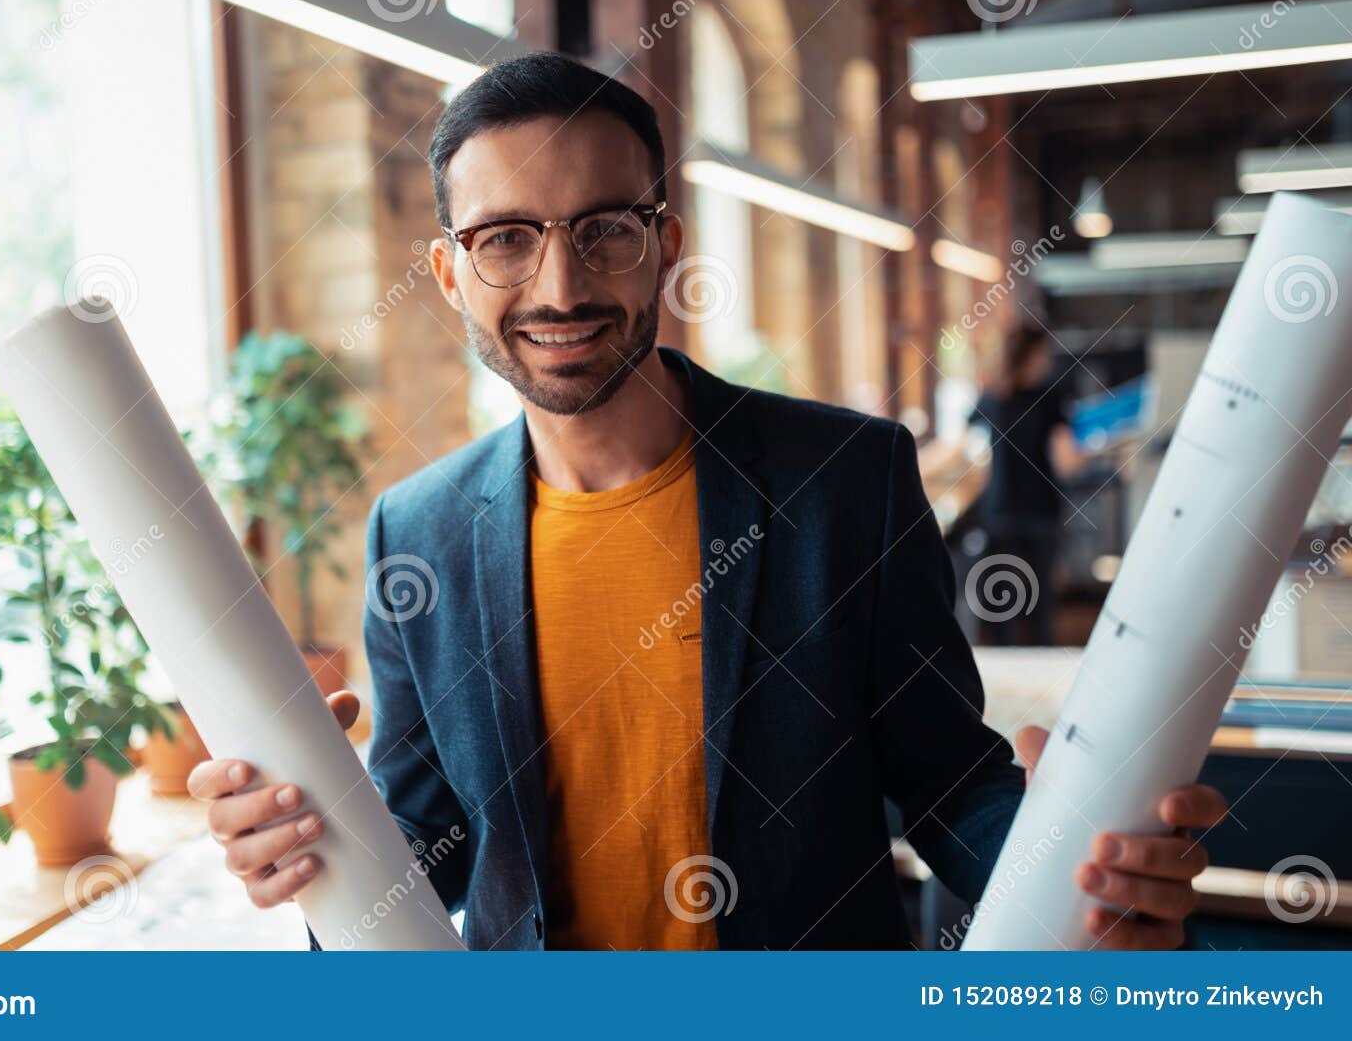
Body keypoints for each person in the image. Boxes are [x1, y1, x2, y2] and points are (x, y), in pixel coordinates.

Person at [187, 52, 1223, 950]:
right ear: (449, 273)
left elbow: (948, 779)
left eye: (603, 229)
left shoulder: (845, 478)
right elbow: (431, 860)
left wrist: (1073, 863)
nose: (558, 286)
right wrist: (310, 848)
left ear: (666, 241)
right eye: (503, 237)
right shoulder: (416, 531)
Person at [967, 326, 1090, 646]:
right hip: (1040, 512)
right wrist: (1092, 452)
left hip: (999, 512)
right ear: (1032, 356)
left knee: (1003, 602)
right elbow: (1067, 462)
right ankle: (1042, 679)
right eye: (1043, 354)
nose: (1047, 362)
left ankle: (1006, 680)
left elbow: (968, 448)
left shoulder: (991, 397)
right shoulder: (1050, 398)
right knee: (1039, 606)